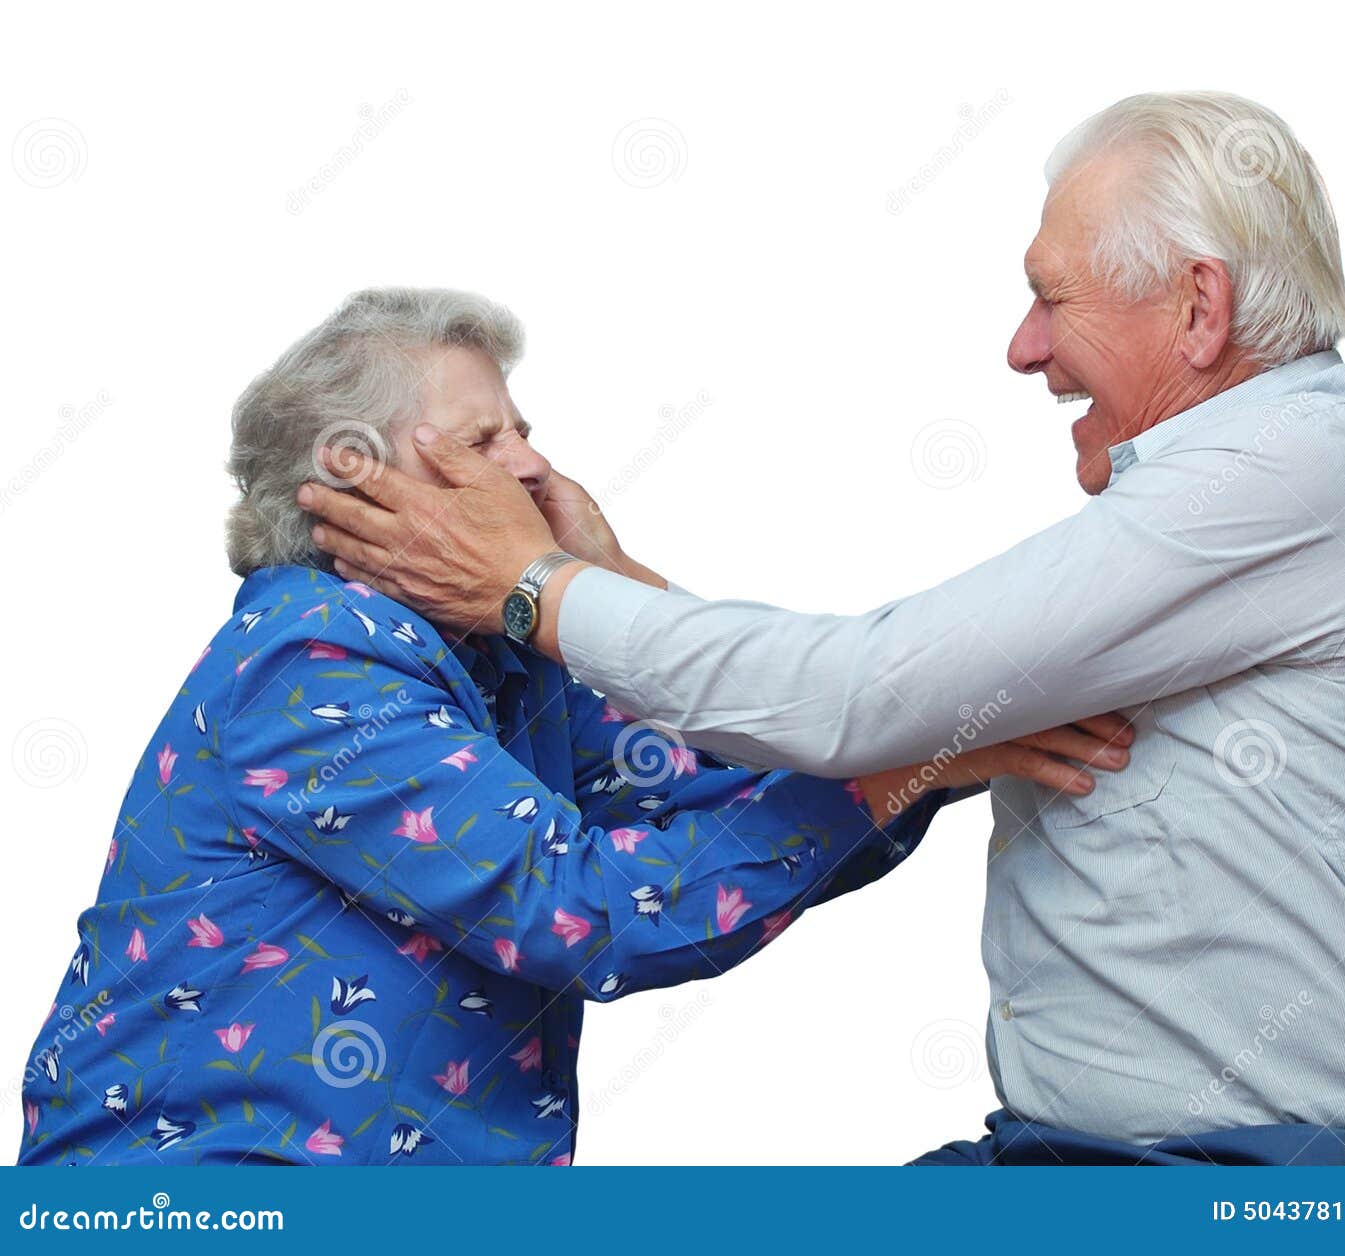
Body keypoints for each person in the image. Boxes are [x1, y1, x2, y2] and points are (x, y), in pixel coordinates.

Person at [301, 94, 1345, 1165]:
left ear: (1197, 308)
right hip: (1127, 1166)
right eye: (476, 448)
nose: (1023, 351)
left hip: (1306, 1188)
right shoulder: (1270, 475)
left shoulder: (1289, 470)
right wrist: (609, 581)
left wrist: (534, 590)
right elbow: (863, 707)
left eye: (1051, 300)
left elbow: (858, 698)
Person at [18, 288, 1130, 1166]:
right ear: (354, 484)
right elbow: (583, 907)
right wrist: (906, 764)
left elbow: (724, 763)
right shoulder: (311, 663)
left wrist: (603, 583)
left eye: (526, 430)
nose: (533, 464)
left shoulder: (492, 656)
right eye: (484, 438)